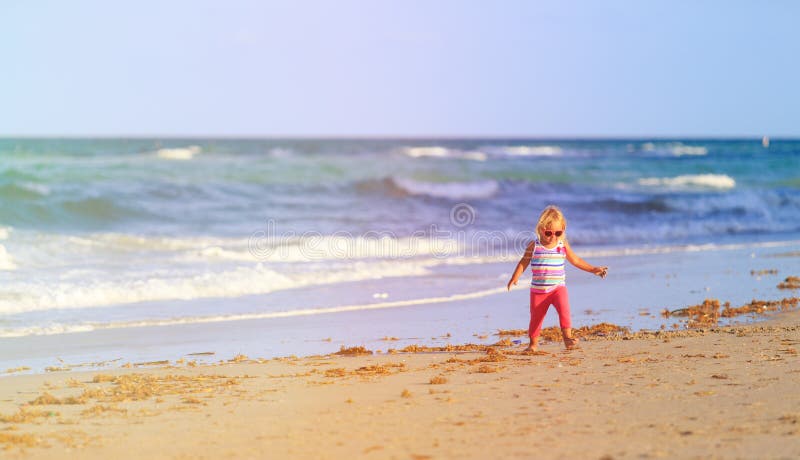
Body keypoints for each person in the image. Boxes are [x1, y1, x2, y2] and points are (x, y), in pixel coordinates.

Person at [506, 205, 608, 352]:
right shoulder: (534, 246)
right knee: (536, 318)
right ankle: (533, 344)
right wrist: (515, 276)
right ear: (540, 229)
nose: (553, 236)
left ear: (563, 229)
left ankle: (567, 338)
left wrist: (593, 269)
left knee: (564, 311)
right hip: (538, 291)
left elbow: (576, 260)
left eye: (558, 232)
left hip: (558, 288)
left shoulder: (562, 245)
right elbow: (524, 261)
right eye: (548, 233)